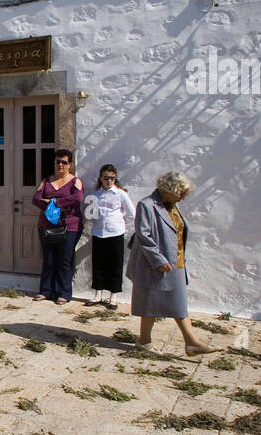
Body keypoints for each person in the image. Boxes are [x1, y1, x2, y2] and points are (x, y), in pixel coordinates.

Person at [127, 171, 218, 357]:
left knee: (178, 301)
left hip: (175, 261)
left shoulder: (172, 206)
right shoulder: (147, 205)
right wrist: (158, 259)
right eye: (181, 193)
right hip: (154, 263)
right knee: (149, 302)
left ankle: (190, 341)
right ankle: (146, 341)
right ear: (170, 189)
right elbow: (144, 235)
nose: (183, 197)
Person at [32, 148, 84, 305]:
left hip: (70, 226)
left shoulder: (75, 181)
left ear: (70, 164)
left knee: (64, 260)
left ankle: (63, 293)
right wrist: (57, 205)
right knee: (48, 259)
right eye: (58, 162)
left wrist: (54, 202)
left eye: (64, 162)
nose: (60, 164)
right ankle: (46, 290)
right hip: (46, 226)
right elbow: (36, 198)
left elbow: (78, 197)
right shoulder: (46, 181)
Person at [85, 164, 136, 308]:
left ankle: (113, 297)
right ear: (101, 178)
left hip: (115, 232)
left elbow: (132, 213)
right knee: (98, 264)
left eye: (112, 178)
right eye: (106, 178)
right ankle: (98, 295)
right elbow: (90, 215)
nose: (109, 181)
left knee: (115, 265)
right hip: (99, 232)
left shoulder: (121, 194)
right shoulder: (95, 195)